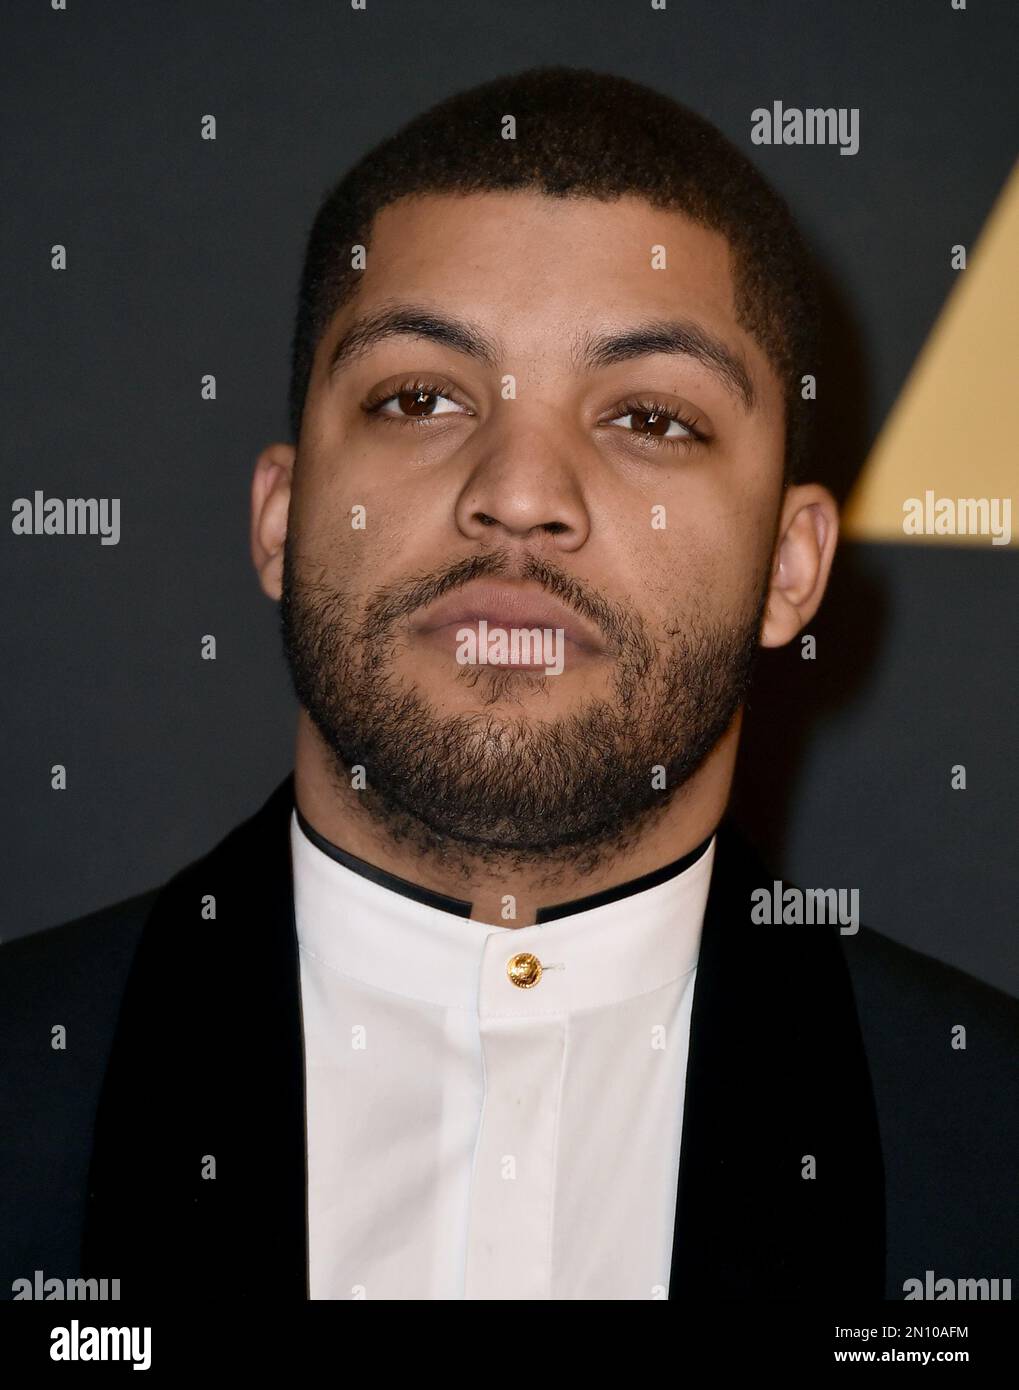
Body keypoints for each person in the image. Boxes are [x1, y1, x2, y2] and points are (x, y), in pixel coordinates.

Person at [2, 66, 1015, 1303]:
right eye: (420, 396)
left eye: (649, 416)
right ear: (279, 518)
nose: (522, 492)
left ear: (789, 568)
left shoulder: (988, 1135)